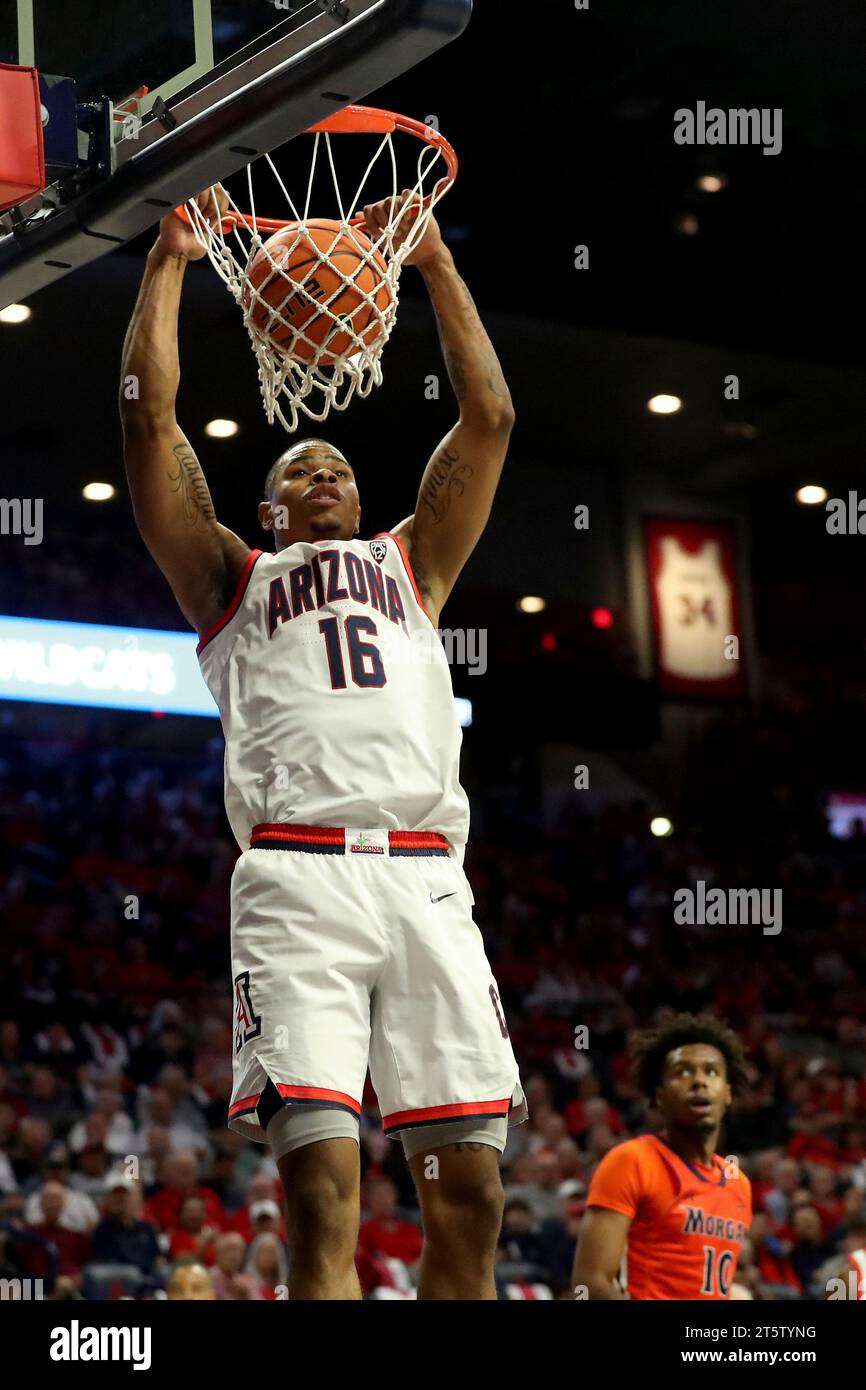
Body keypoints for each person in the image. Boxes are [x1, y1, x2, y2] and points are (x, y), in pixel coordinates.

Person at [119, 182, 525, 1301]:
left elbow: (486, 419)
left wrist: (433, 261)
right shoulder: (231, 579)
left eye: (338, 462)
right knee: (322, 1191)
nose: (326, 470)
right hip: (298, 878)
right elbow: (147, 424)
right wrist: (168, 264)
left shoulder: (415, 562)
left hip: (427, 882)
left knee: (472, 1195)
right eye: (299, 468)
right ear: (268, 511)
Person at [572, 1013, 753, 1300]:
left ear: (728, 1093)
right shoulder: (631, 1160)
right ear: (658, 1096)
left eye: (712, 1072)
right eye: (682, 1071)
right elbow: (589, 1283)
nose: (699, 1082)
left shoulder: (738, 1183)